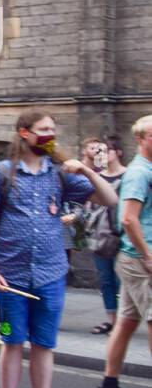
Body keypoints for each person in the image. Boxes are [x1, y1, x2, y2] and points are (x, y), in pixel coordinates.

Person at [0, 110, 117, 388]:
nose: (50, 135)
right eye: (43, 129)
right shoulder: (2, 174)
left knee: (43, 344)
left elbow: (109, 199)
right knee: (10, 339)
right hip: (10, 281)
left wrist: (85, 169)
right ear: (24, 133)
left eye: (53, 129)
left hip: (51, 276)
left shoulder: (60, 175)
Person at [98, 118, 152, 388]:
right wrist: (147, 255)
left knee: (126, 323)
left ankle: (109, 387)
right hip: (141, 260)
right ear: (143, 138)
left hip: (136, 258)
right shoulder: (140, 173)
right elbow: (129, 219)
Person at [80, 136, 125, 335]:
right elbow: (87, 206)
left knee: (124, 280)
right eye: (100, 151)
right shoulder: (97, 177)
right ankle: (112, 320)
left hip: (124, 236)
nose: (104, 154)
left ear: (119, 153)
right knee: (106, 280)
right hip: (101, 236)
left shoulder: (130, 175)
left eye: (108, 150)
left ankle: (125, 321)